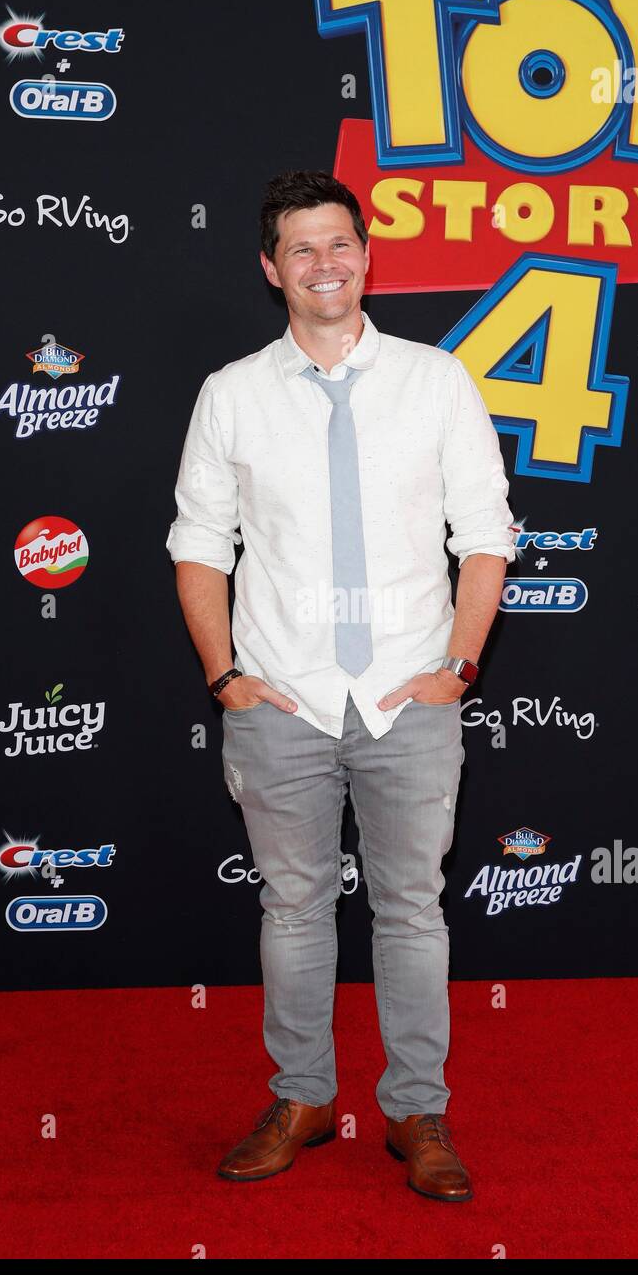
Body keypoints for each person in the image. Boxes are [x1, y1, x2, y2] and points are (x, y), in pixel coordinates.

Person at [166, 169, 516, 1202]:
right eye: (302, 249)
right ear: (271, 269)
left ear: (368, 255)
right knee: (292, 910)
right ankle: (303, 1097)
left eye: (341, 244)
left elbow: (485, 538)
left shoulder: (436, 380)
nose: (326, 264)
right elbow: (197, 546)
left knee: (412, 910)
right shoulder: (230, 394)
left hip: (408, 697)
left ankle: (416, 1109)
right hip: (282, 697)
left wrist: (456, 666)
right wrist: (223, 675)